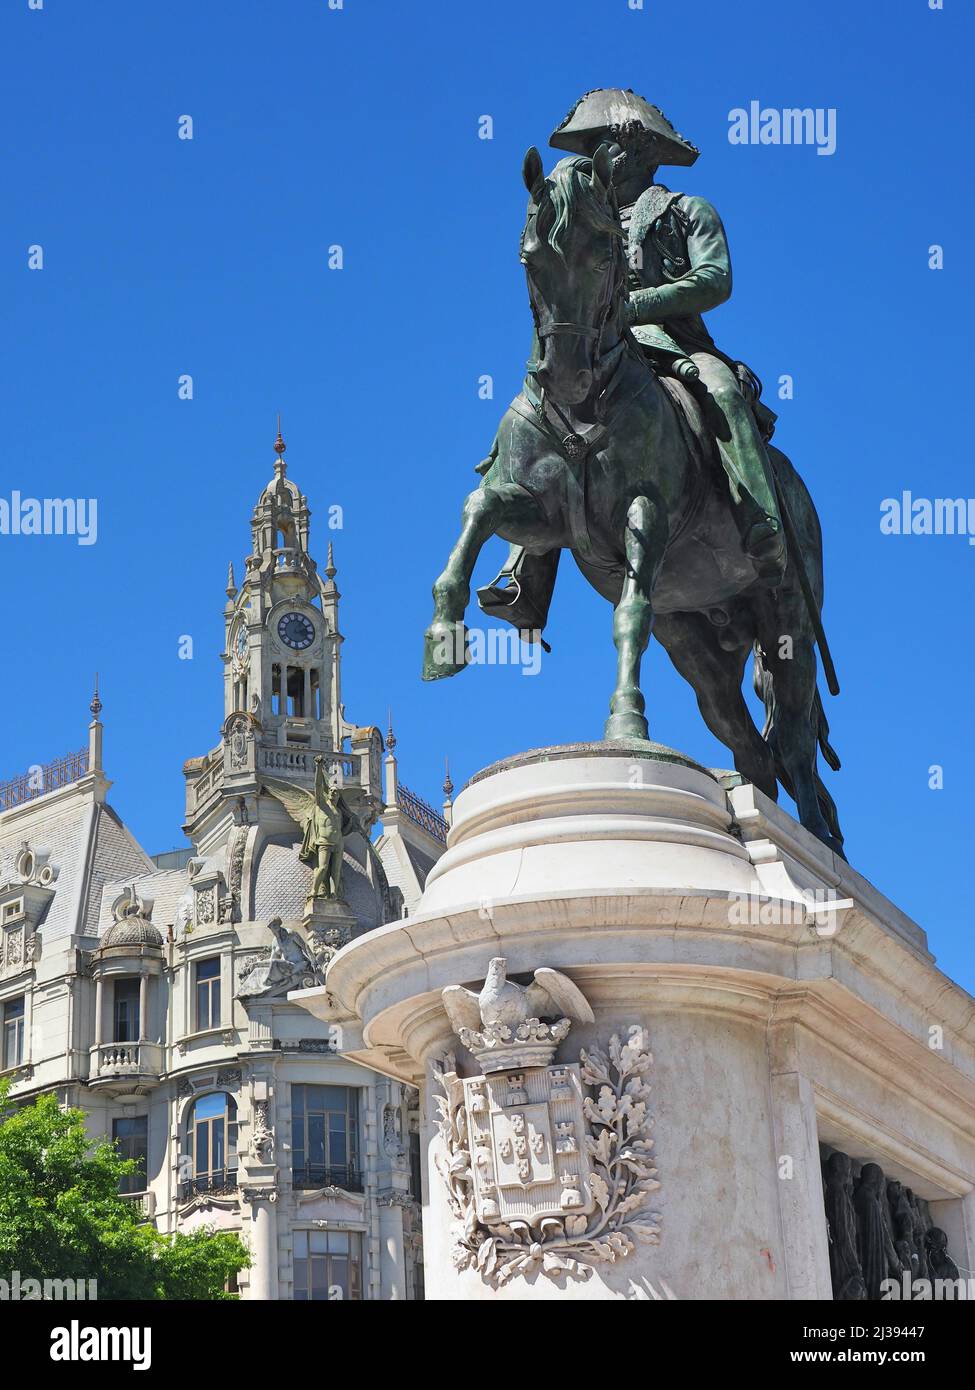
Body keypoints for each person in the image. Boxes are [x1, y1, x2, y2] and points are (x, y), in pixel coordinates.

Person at [550, 88, 786, 583]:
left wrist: (636, 306)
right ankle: (525, 571)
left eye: (600, 145)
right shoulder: (589, 223)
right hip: (600, 347)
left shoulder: (687, 211)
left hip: (674, 344)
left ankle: (760, 520)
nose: (593, 160)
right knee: (540, 415)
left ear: (636, 150)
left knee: (721, 390)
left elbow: (714, 280)